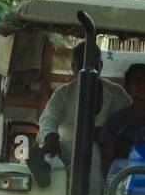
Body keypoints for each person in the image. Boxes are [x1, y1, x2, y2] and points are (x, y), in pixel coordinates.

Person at [36, 41, 130, 169]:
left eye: (92, 65)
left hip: (106, 153)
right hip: (67, 151)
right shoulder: (63, 93)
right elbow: (48, 120)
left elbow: (127, 123)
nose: (86, 70)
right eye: (81, 65)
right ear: (73, 68)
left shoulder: (116, 93)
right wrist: (50, 137)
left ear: (100, 65)